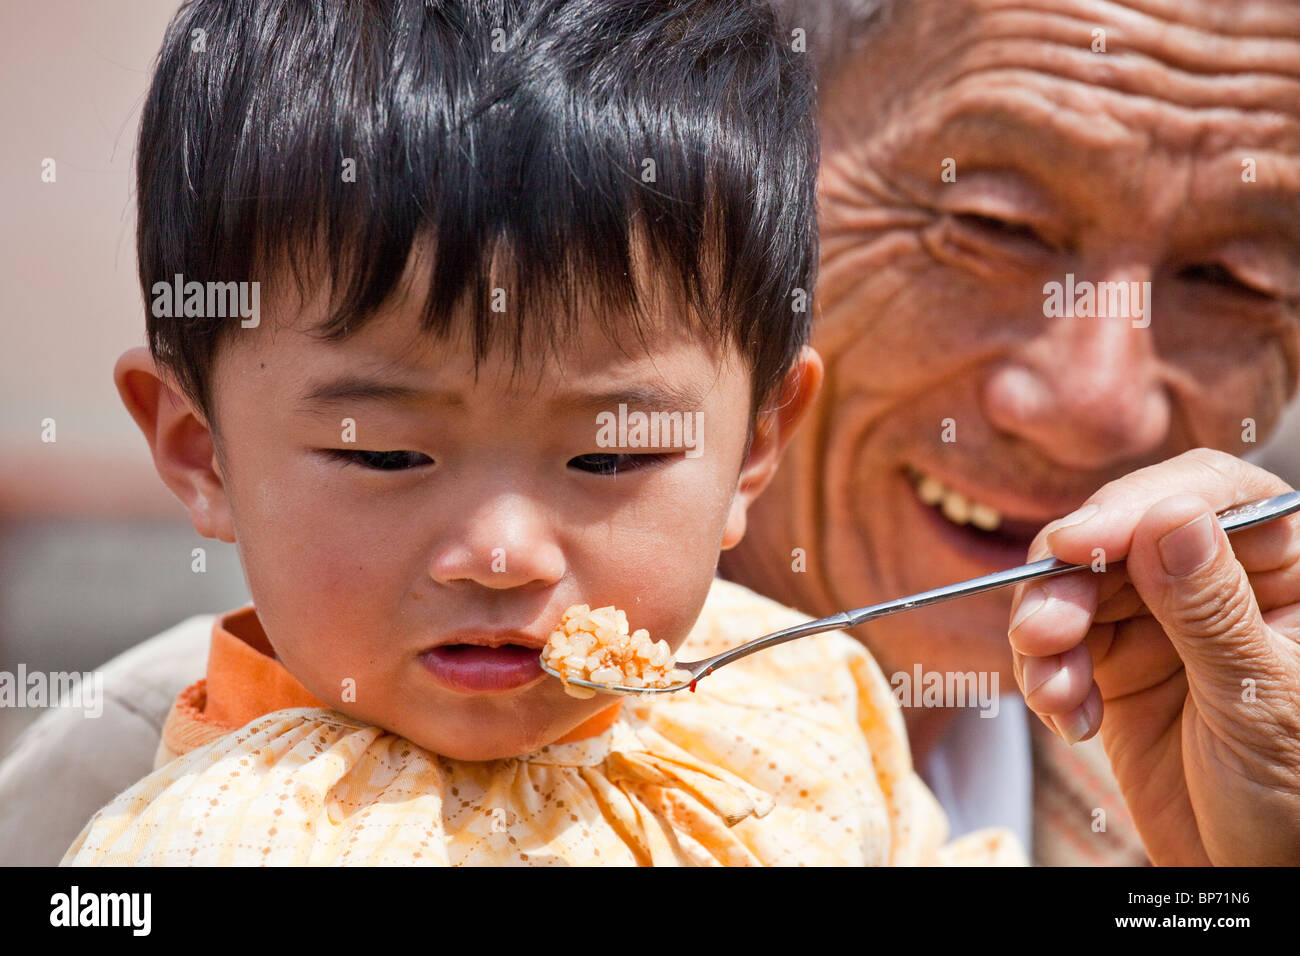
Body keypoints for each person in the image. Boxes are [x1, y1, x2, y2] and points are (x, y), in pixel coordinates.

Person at [58, 0, 1022, 866]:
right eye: (385, 453)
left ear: (757, 444)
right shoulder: (207, 839)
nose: (502, 556)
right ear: (201, 450)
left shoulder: (803, 699)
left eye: (610, 455)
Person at [724, 0, 1300, 864]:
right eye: (997, 226)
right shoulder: (472, 776)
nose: (1101, 405)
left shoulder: (1235, 806)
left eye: (1231, 278)